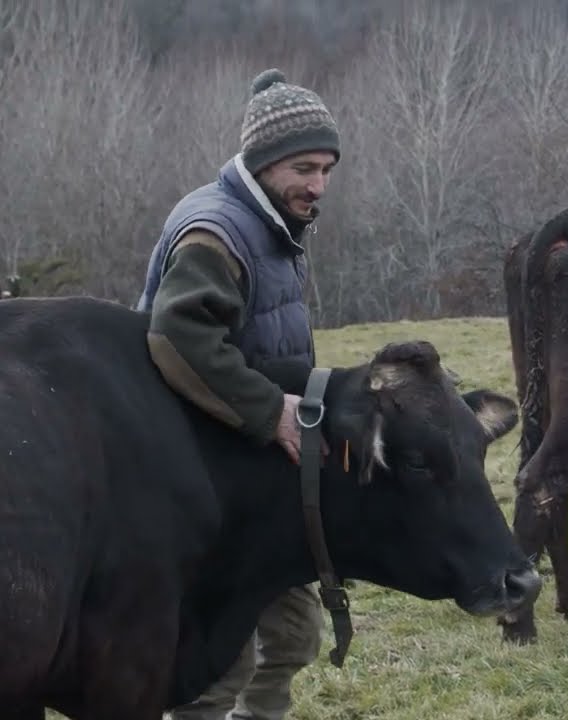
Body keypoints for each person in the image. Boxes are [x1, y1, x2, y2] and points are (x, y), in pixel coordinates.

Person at [137, 67, 340, 720]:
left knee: (295, 634)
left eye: (328, 169)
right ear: (265, 163)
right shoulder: (216, 231)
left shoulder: (269, 225)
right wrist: (269, 411)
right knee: (220, 662)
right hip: (203, 477)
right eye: (306, 167)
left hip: (252, 470)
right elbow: (178, 335)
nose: (319, 185)